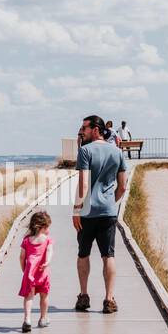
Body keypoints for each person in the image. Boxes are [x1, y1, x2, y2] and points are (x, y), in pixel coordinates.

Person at [73, 114, 128, 313]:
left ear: (96, 129)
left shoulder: (85, 151)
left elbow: (84, 184)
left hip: (87, 212)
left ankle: (84, 295)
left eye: (84, 128)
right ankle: (109, 299)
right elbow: (122, 186)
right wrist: (108, 204)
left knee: (83, 254)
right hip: (108, 212)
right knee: (108, 255)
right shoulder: (117, 152)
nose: (81, 131)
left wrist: (77, 209)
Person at [18, 209, 53, 332]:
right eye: (48, 227)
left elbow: (22, 257)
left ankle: (27, 320)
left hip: (30, 273)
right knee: (44, 296)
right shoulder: (47, 240)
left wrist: (24, 270)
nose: (49, 230)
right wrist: (47, 262)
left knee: (29, 297)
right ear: (43, 227)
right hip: (43, 273)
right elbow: (49, 252)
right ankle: (43, 318)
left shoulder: (27, 240)